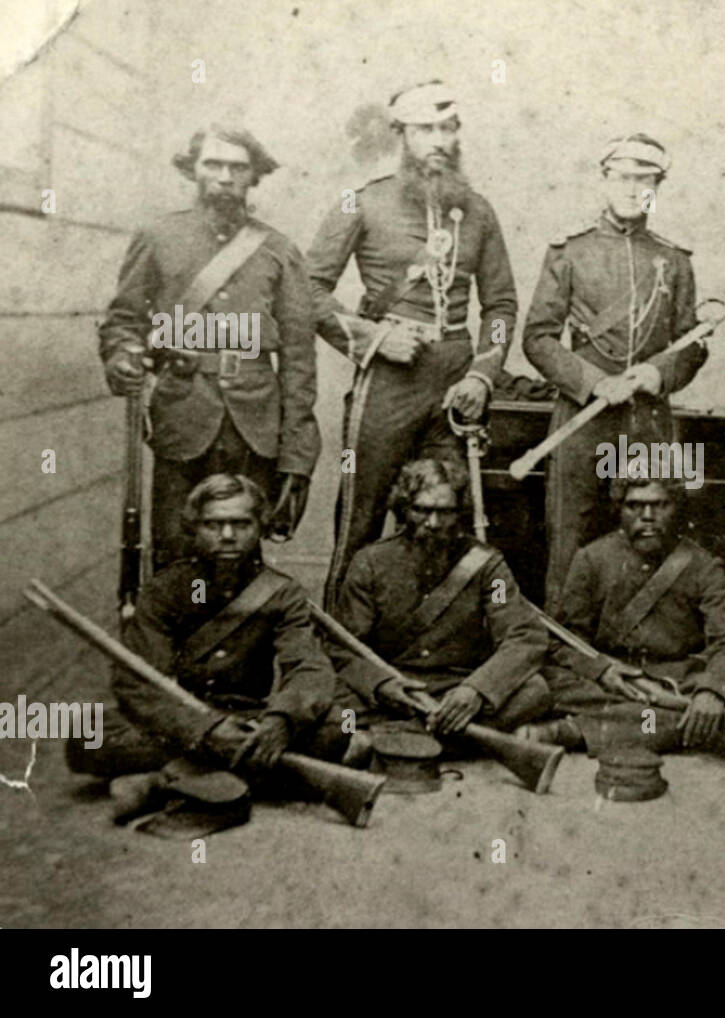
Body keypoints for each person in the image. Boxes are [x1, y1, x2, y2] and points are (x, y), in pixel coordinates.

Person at [307, 81, 518, 606]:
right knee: (362, 513)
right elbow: (307, 291)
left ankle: (438, 639)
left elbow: (501, 308)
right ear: (401, 134)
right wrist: (375, 338)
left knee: (450, 514)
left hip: (456, 384)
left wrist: (482, 375)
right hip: (388, 380)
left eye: (449, 128)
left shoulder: (479, 212)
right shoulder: (361, 201)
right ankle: (341, 641)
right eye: (426, 129)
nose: (439, 140)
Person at [99, 126, 319, 567]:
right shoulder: (158, 236)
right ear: (192, 170)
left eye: (238, 167)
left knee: (242, 558)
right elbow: (124, 320)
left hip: (255, 426)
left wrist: (297, 455)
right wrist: (123, 356)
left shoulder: (280, 250)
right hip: (181, 417)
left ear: (254, 176)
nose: (224, 176)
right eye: (212, 164)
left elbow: (299, 359)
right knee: (175, 553)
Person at [66, 475, 352, 808]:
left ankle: (165, 781)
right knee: (88, 735)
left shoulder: (283, 593)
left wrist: (281, 722)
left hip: (249, 719)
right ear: (193, 528)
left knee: (337, 727)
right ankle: (252, 775)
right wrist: (202, 730)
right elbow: (137, 684)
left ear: (261, 527)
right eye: (213, 525)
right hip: (180, 721)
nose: (227, 536)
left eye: (241, 524)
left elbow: (309, 668)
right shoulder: (164, 590)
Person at [521, 133, 704, 609]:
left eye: (645, 181)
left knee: (649, 532)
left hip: (648, 422)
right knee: (572, 535)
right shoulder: (569, 251)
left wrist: (659, 374)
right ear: (604, 180)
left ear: (657, 189)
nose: (632, 189)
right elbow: (537, 337)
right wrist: (593, 382)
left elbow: (692, 344)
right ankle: (565, 646)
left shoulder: (675, 260)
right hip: (584, 420)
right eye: (623, 178)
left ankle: (640, 645)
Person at [526, 476, 725, 756]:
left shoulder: (703, 566)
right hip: (608, 682)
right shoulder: (591, 559)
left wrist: (713, 690)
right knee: (541, 682)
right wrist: (601, 670)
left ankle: (571, 732)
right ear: (619, 509)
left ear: (677, 507)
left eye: (659, 505)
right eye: (634, 506)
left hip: (676, 684)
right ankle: (675, 725)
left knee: (719, 696)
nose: (647, 517)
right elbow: (562, 642)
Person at [327, 459, 550, 738]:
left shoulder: (486, 564)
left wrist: (476, 689)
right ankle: (455, 739)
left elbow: (524, 635)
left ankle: (386, 742)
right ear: (404, 509)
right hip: (394, 688)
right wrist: (381, 685)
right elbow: (342, 648)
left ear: (460, 513)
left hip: (456, 688)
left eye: (445, 512)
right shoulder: (370, 562)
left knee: (535, 691)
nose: (433, 523)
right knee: (327, 702)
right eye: (422, 510)